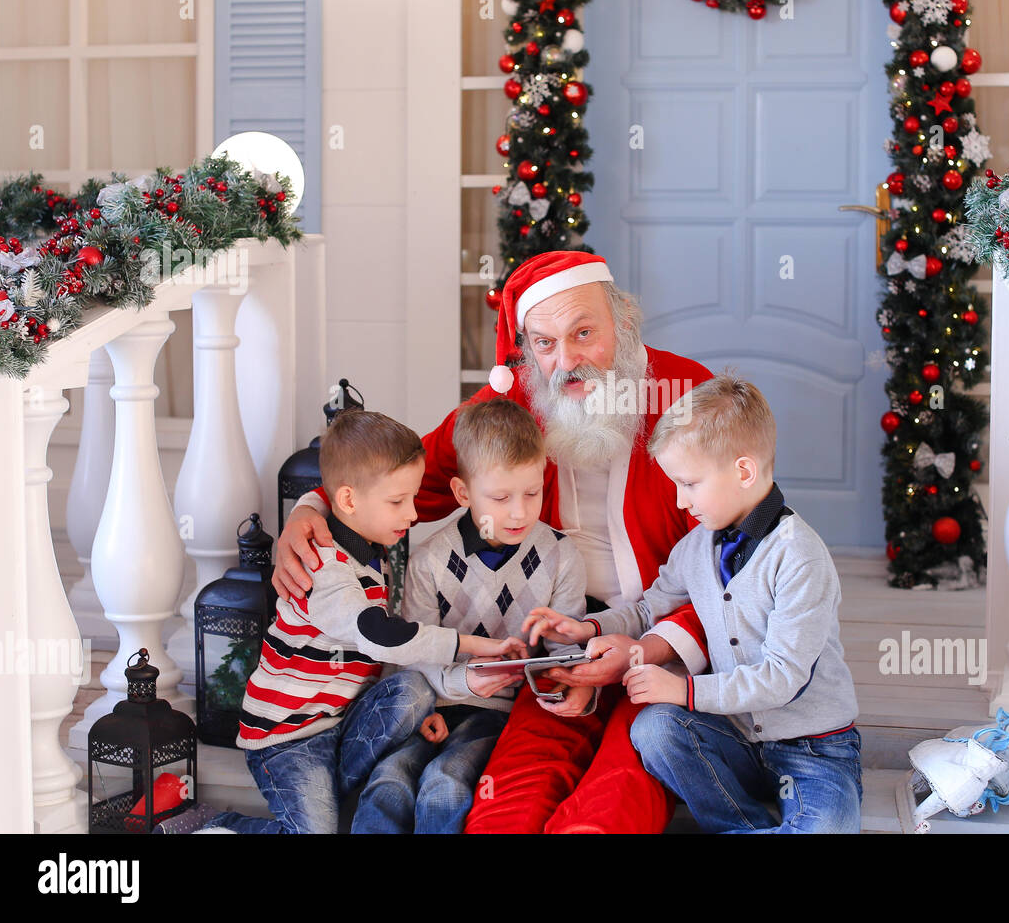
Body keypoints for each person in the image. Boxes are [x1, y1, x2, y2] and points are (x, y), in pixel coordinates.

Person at [273, 250, 713, 833]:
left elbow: (740, 566)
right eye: (545, 343)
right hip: (545, 648)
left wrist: (645, 650)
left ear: (624, 326)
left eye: (585, 333)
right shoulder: (511, 405)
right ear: (526, 351)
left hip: (658, 642)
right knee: (508, 798)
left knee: (620, 786)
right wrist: (314, 505)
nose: (568, 362)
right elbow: (411, 477)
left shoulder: (687, 394)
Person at [525, 375, 863, 833]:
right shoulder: (697, 545)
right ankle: (735, 823)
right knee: (654, 729)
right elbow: (649, 610)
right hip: (737, 738)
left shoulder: (798, 555)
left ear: (743, 472)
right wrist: (591, 628)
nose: (681, 500)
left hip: (813, 747)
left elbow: (783, 678)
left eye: (689, 484)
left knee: (825, 828)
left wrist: (684, 691)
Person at [182, 409, 524, 834]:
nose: (413, 514)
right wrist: (474, 645)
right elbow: (379, 635)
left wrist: (417, 718)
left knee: (413, 691)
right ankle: (213, 822)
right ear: (347, 501)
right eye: (398, 502)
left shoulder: (368, 543)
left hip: (340, 720)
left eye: (413, 498)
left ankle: (332, 797)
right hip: (290, 737)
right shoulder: (325, 567)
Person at [350, 397, 593, 833]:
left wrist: (560, 672)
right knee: (389, 783)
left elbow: (564, 654)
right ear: (463, 493)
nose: (519, 511)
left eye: (532, 492)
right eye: (500, 497)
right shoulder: (429, 562)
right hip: (432, 700)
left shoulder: (560, 556)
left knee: (445, 784)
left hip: (498, 713)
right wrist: (456, 686)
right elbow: (414, 653)